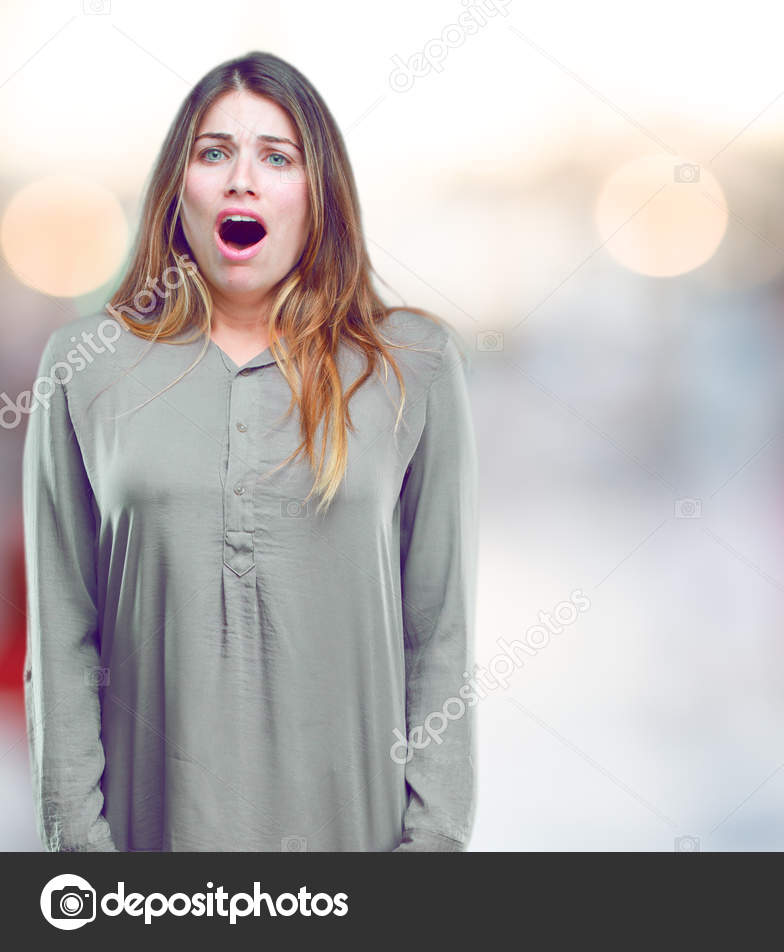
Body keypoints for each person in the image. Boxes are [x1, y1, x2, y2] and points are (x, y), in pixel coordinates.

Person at [22, 51, 478, 851]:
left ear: (318, 194)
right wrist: (82, 863)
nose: (242, 180)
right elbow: (61, 641)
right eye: (213, 152)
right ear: (179, 190)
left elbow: (439, 635)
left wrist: (432, 852)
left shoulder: (414, 362)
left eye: (277, 156)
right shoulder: (84, 363)